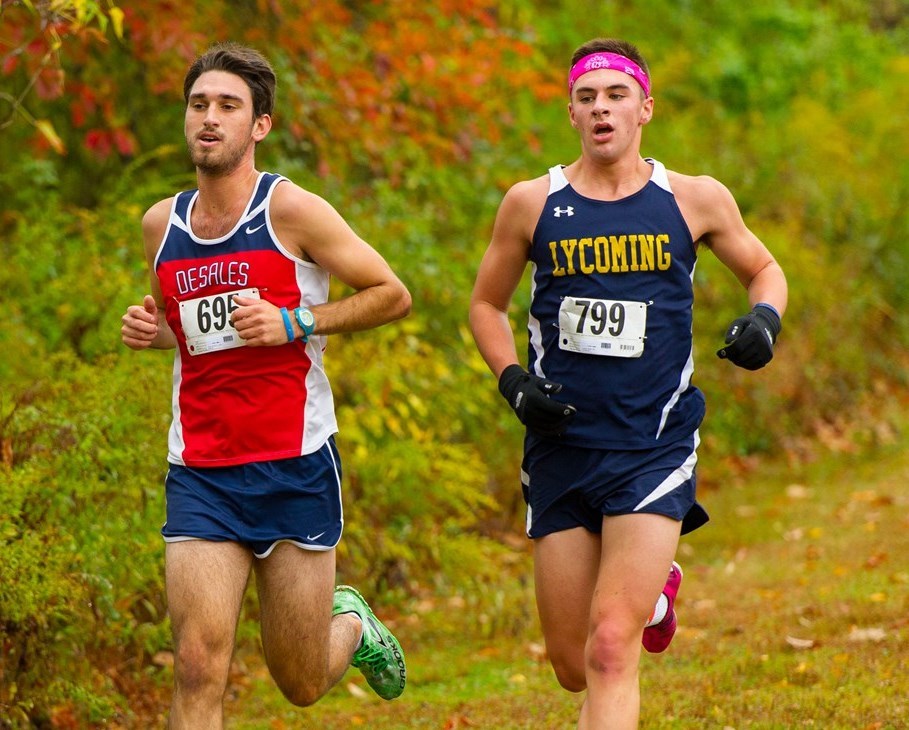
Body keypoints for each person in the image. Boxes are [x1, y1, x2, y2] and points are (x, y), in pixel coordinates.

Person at [469, 37, 787, 729]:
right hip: (560, 447)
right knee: (570, 663)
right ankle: (657, 594)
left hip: (654, 444)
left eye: (615, 95)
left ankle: (641, 594)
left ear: (644, 108)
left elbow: (765, 270)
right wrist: (514, 383)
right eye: (586, 98)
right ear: (571, 114)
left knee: (612, 648)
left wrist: (762, 321)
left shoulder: (693, 199)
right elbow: (484, 305)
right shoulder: (531, 203)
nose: (600, 109)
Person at [120, 42, 411, 728]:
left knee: (300, 680)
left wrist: (295, 321)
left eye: (228, 106)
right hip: (202, 470)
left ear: (260, 126)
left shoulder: (291, 212)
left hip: (294, 465)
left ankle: (353, 626)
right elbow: (186, 326)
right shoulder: (161, 226)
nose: (209, 119)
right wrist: (153, 330)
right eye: (199, 105)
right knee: (197, 663)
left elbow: (391, 294)